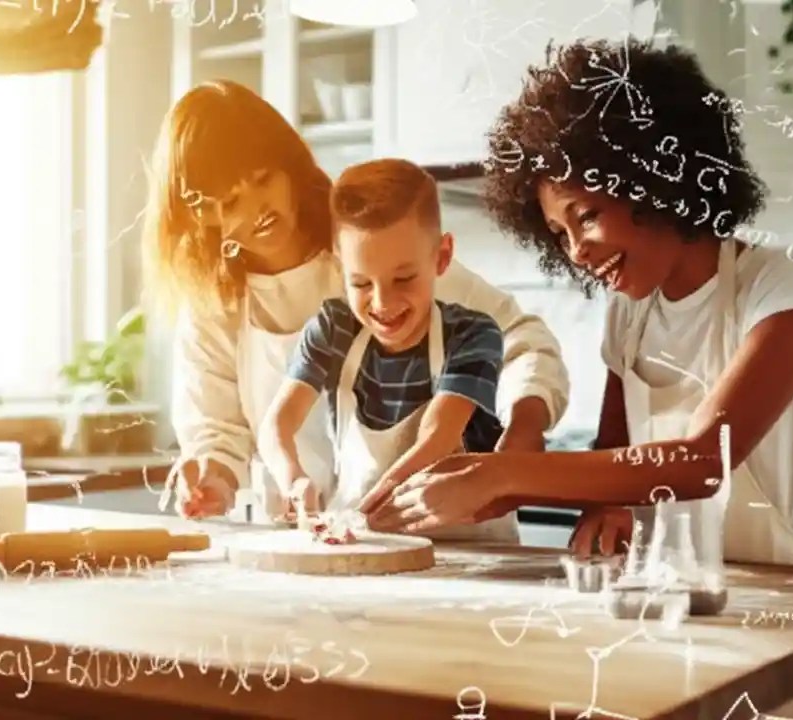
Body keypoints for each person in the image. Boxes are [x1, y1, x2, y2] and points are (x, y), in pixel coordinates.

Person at [361, 38, 793, 567]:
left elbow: (703, 460)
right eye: (557, 233)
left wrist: (503, 474)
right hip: (656, 593)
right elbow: (613, 457)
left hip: (782, 595)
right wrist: (579, 503)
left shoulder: (790, 286)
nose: (575, 251)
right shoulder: (632, 311)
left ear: (654, 180)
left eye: (587, 215)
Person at [143, 80, 569, 523]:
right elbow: (220, 430)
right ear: (199, 216)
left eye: (264, 179)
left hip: (448, 537)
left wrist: (523, 426)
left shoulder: (372, 252)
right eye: (230, 201)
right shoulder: (217, 304)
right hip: (308, 544)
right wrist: (212, 478)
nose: (258, 210)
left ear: (289, 165)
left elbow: (521, 341)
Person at [261, 159, 517, 541]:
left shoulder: (473, 335)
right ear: (340, 266)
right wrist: (293, 479)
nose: (383, 303)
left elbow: (437, 439)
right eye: (362, 282)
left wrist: (362, 515)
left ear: (442, 257)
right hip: (367, 552)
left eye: (404, 278)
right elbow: (277, 426)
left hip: (473, 560)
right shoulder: (334, 330)